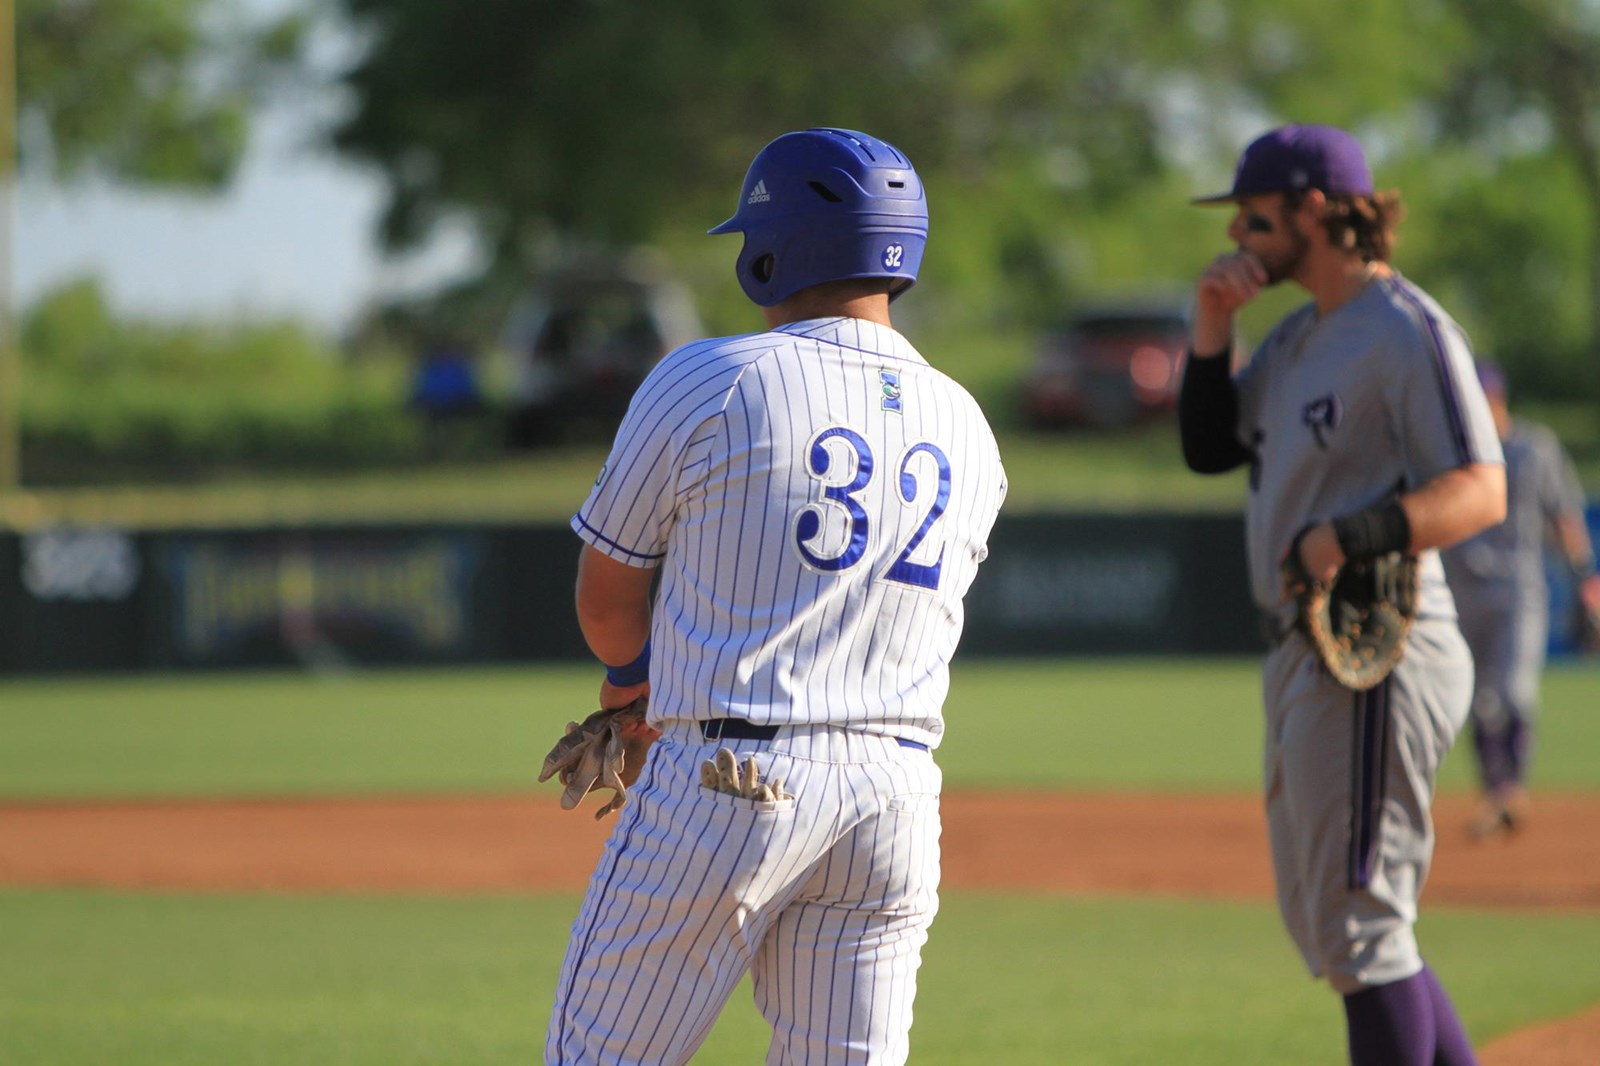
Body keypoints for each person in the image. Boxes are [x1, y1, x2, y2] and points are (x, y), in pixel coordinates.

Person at [546, 128, 1007, 1065]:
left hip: (729, 778)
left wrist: (630, 689)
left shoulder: (713, 378)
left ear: (773, 250)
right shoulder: (966, 418)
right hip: (895, 799)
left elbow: (607, 591)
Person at [1177, 124, 1506, 1066]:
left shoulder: (1405, 328)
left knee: (1362, 928)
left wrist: (1347, 535)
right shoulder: (1296, 336)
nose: (1239, 231)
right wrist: (1210, 328)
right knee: (1340, 930)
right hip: (1303, 650)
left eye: (1255, 214)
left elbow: (1483, 490)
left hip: (1376, 648)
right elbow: (1209, 450)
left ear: (1315, 209)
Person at [1441, 361, 1600, 839]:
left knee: (1512, 691)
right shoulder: (1450, 451)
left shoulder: (1534, 448)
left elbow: (1564, 516)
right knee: (1478, 699)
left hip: (1519, 592)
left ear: (1498, 399)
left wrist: (1584, 581)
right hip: (1462, 592)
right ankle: (1499, 793)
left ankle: (1508, 792)